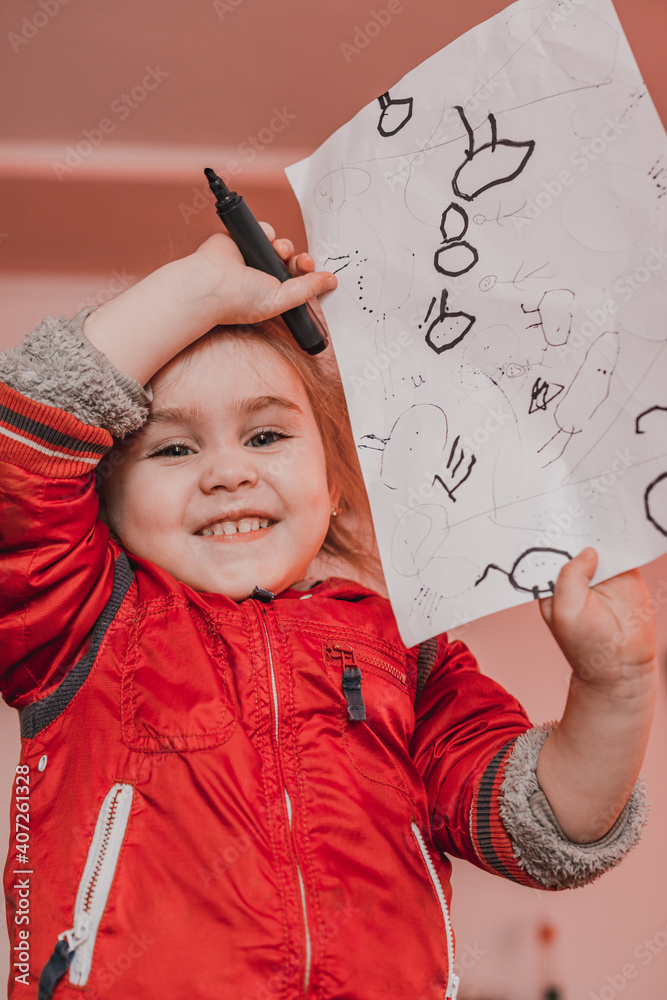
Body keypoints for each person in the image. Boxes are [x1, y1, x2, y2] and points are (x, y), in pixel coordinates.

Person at [0, 226, 657, 1000]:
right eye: (173, 450)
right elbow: (25, 445)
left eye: (266, 435)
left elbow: (539, 826)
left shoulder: (408, 654)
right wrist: (192, 297)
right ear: (101, 500)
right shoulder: (79, 619)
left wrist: (615, 689)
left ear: (333, 484)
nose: (228, 473)